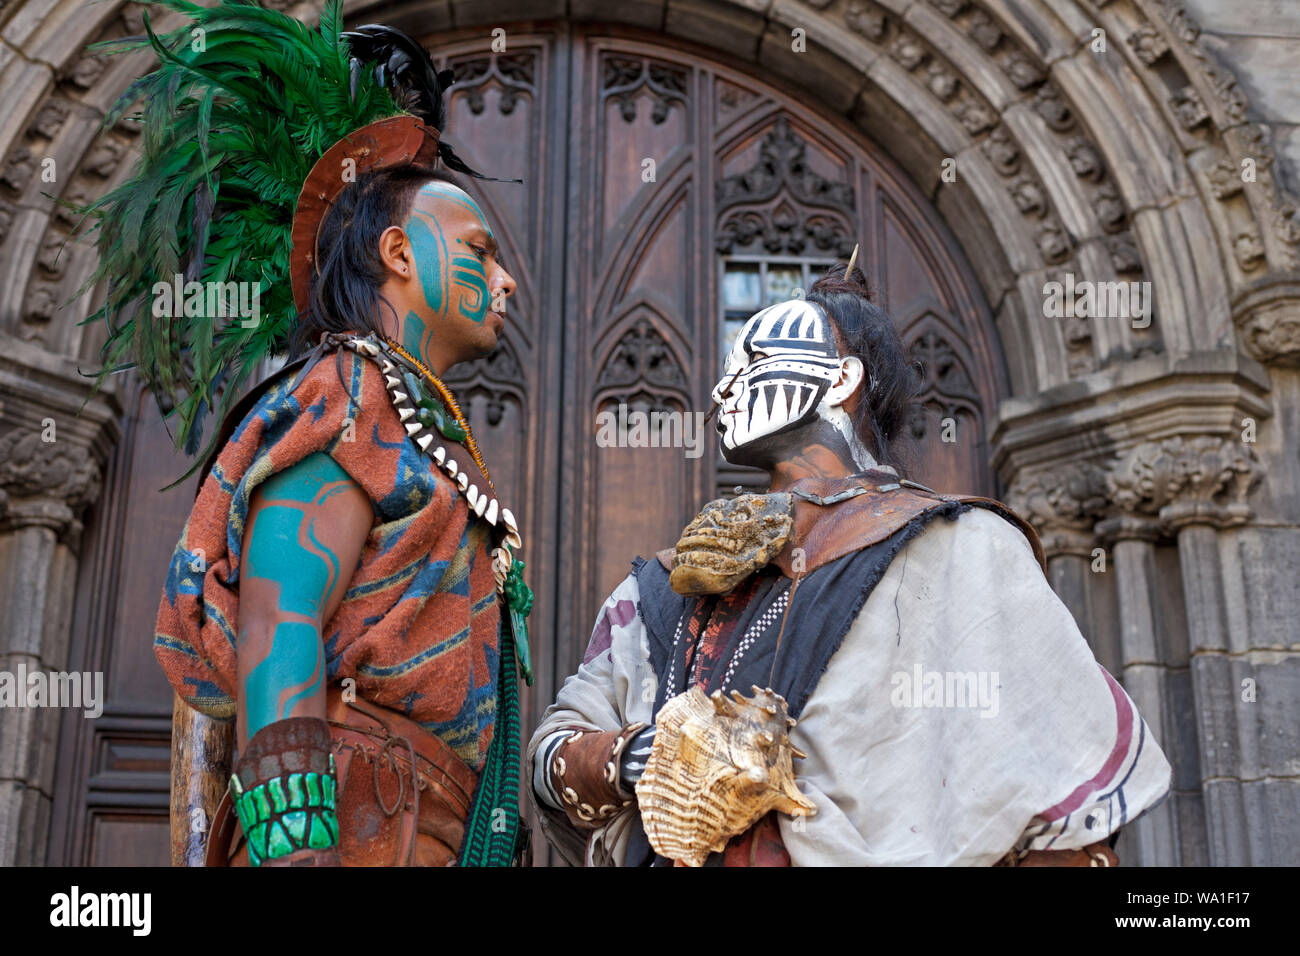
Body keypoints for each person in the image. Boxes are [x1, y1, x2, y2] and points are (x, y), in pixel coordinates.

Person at [528, 265, 1171, 866]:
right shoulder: (661, 589)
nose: (723, 387)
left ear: (841, 379)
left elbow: (1070, 803)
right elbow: (550, 756)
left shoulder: (964, 550)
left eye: (753, 361)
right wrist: (633, 757)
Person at [85, 1, 532, 866]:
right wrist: (295, 852)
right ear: (399, 255)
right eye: (478, 250)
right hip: (352, 828)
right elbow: (278, 623)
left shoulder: (402, 411)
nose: (506, 279)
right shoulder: (345, 394)